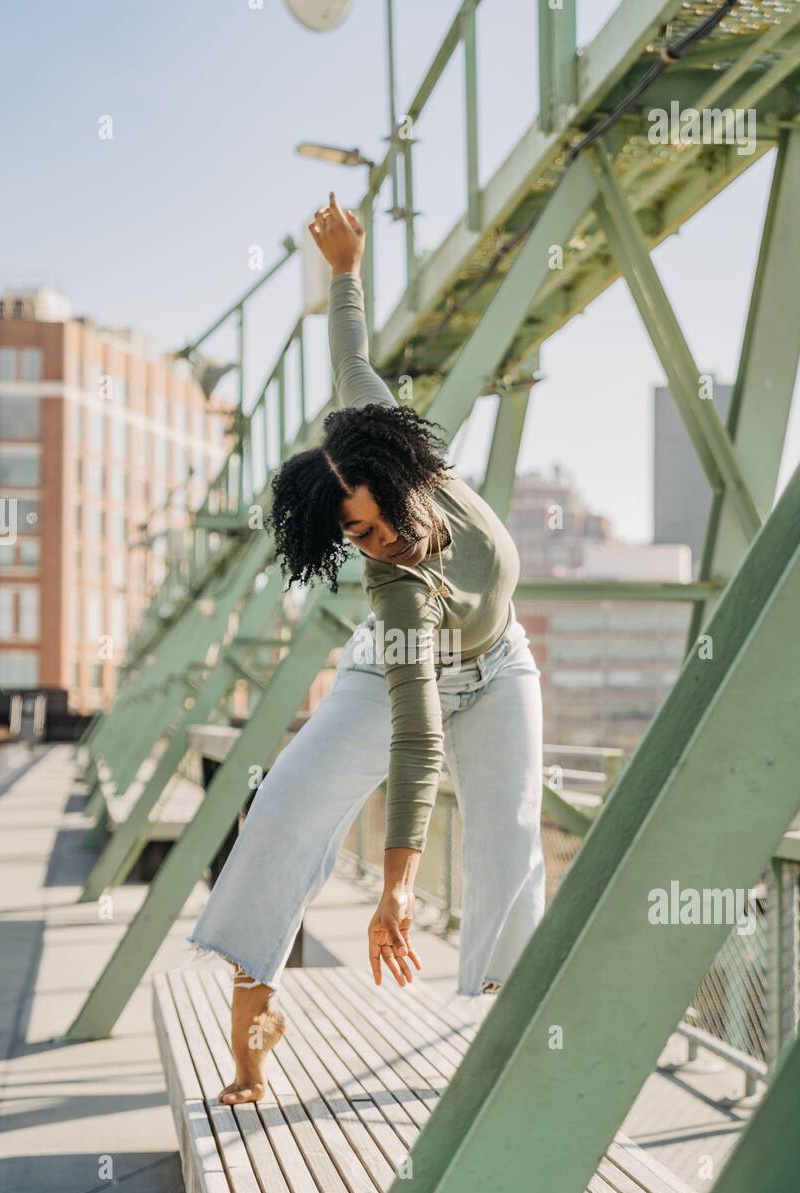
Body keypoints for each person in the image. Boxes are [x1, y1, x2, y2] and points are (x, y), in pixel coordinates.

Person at [187, 192, 547, 1105]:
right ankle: (253, 1036)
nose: (377, 539)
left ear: (404, 479)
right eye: (355, 536)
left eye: (380, 518)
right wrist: (394, 891)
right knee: (282, 815)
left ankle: (507, 1035)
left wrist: (346, 269)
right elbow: (416, 742)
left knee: (508, 842)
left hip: (500, 669)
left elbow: (351, 355)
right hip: (391, 680)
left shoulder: (389, 445)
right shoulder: (395, 591)